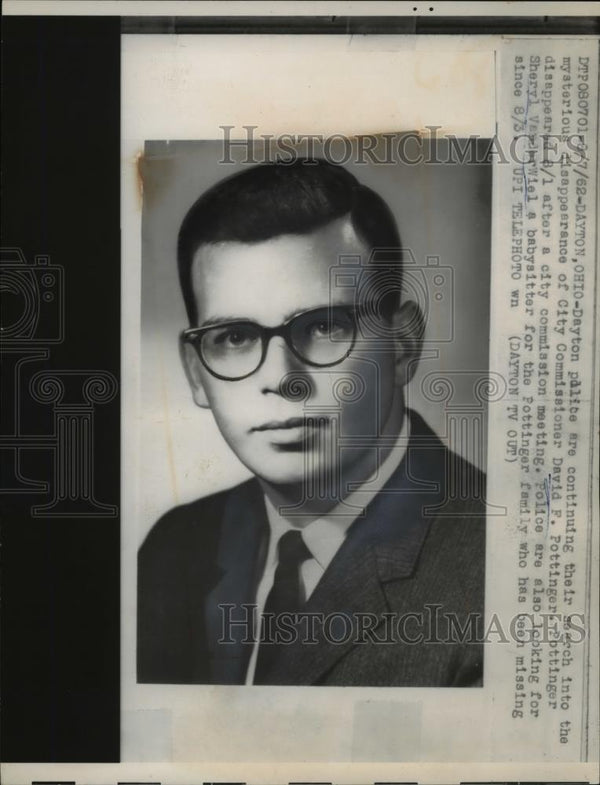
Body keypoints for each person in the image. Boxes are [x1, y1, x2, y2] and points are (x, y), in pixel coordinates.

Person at [137, 159, 485, 686]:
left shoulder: (503, 566)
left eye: (324, 326)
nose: (283, 379)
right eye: (233, 337)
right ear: (195, 373)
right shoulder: (174, 549)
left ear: (402, 345)